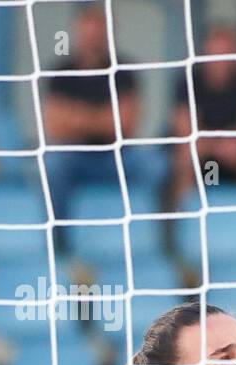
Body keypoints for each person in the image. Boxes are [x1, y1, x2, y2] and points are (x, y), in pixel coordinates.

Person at [43, 3, 159, 219]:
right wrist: (103, 117)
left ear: (110, 30)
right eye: (89, 25)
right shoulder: (61, 72)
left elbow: (125, 124)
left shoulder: (124, 71)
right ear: (78, 28)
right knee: (53, 163)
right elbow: (54, 126)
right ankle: (58, 240)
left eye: (100, 25)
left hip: (115, 157)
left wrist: (76, 116)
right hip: (74, 156)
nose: (94, 33)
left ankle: (151, 238)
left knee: (154, 164)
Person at [171, 25, 236, 203]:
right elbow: (183, 126)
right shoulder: (190, 81)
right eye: (216, 51)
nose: (220, 58)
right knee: (184, 154)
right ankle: (182, 219)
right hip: (205, 160)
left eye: (226, 51)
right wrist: (216, 147)